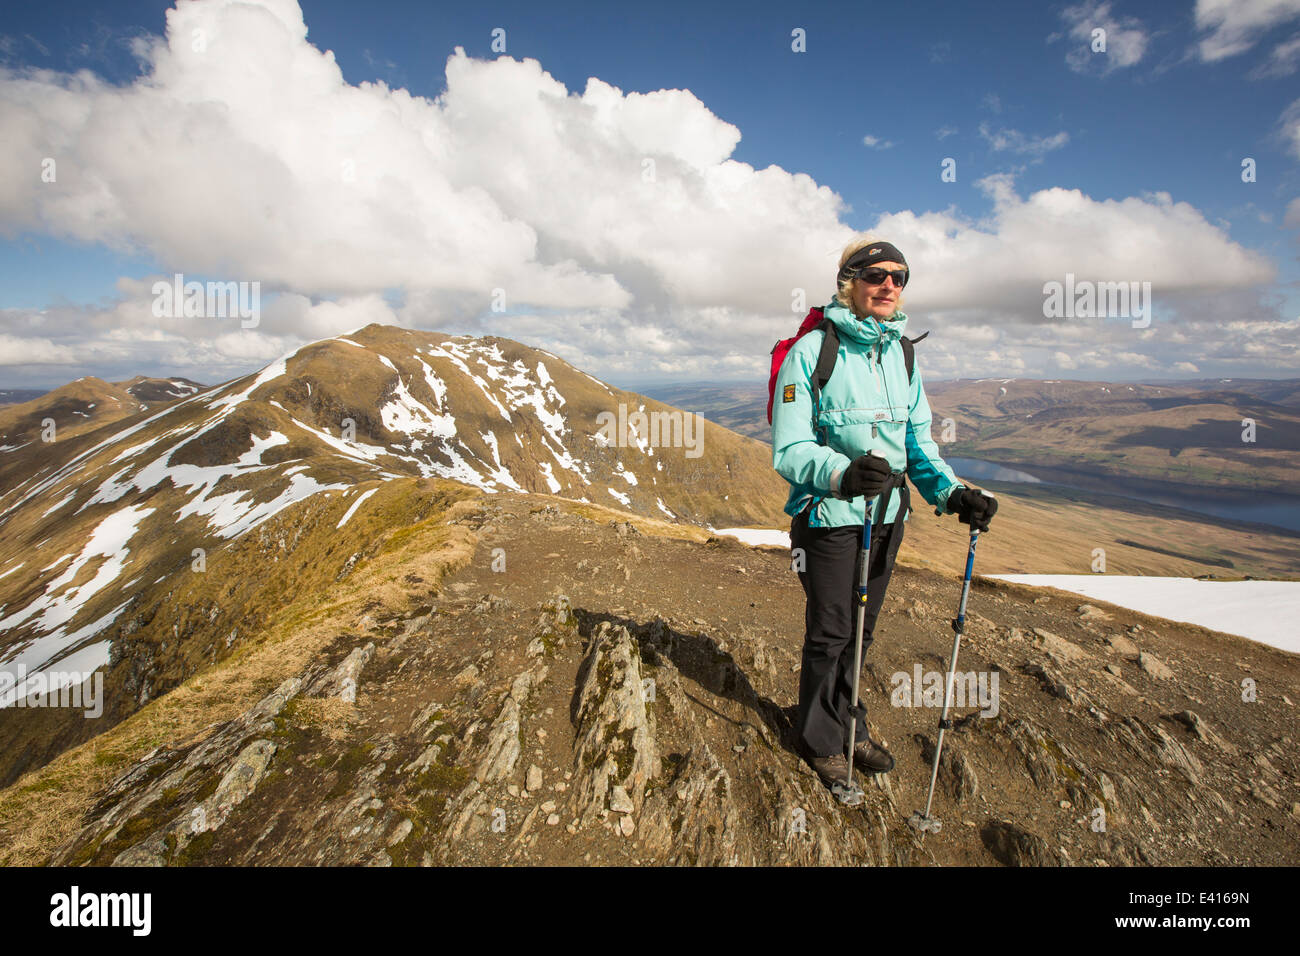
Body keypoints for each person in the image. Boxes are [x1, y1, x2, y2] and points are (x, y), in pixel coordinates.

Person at [770, 235, 998, 790]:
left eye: (900, 276)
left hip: (889, 516)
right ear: (849, 282)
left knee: (862, 631)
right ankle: (821, 740)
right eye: (876, 275)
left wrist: (952, 493)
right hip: (828, 516)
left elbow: (919, 444)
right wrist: (842, 474)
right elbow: (789, 447)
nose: (889, 285)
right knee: (831, 630)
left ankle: (847, 723)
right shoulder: (812, 353)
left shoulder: (901, 354)